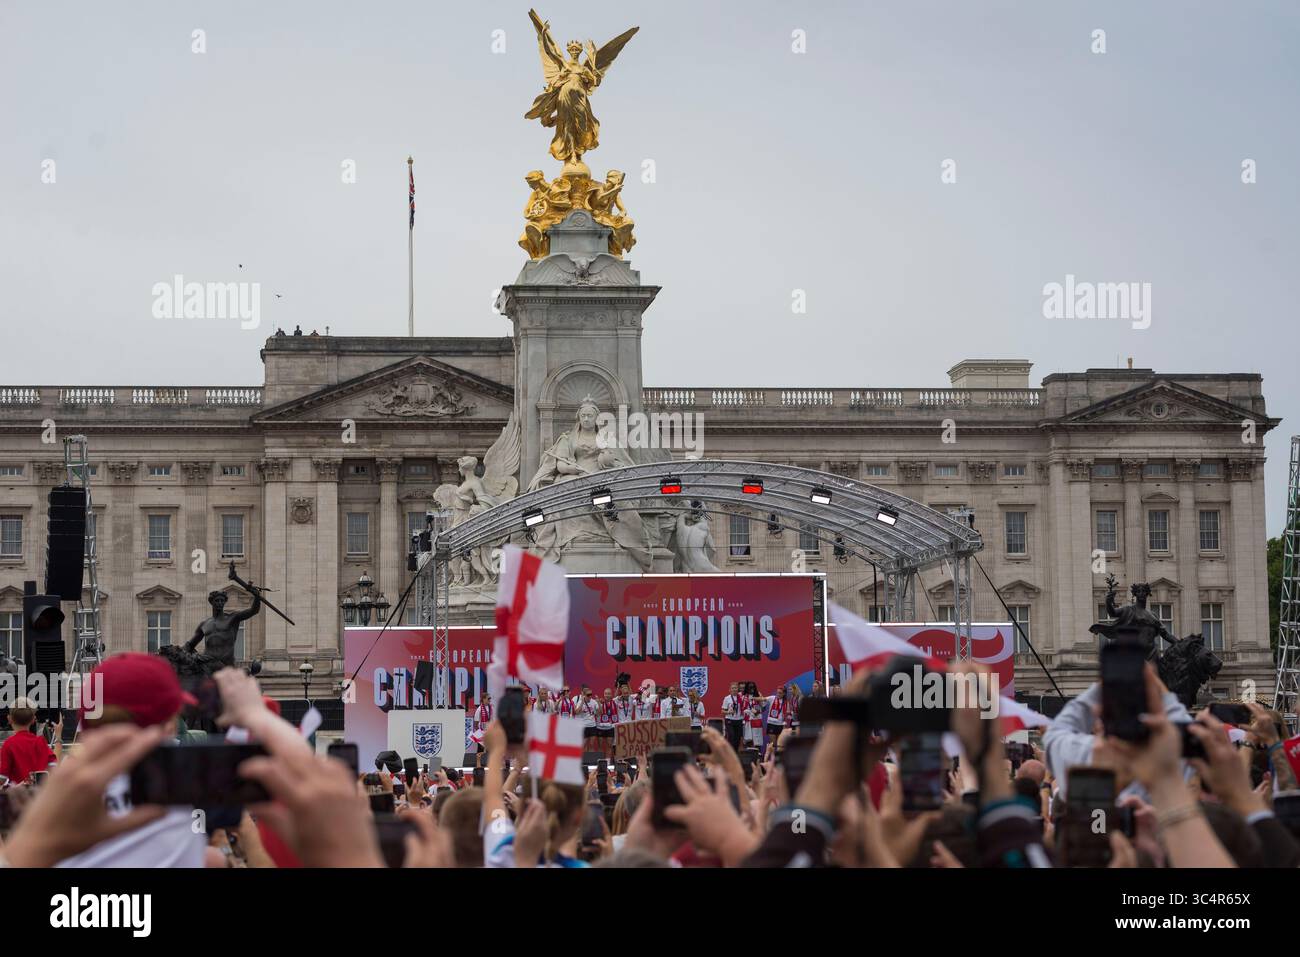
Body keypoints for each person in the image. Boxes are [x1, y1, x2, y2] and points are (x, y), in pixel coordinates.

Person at [0, 697, 60, 785]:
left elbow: (2, 778)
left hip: (18, 795)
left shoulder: (8, 744)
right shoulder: (40, 741)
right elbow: (53, 766)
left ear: (9, 719)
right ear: (33, 720)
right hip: (38, 794)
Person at [721, 682, 743, 750]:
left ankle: (735, 753)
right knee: (731, 736)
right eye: (732, 688)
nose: (734, 689)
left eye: (735, 688)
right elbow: (722, 711)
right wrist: (728, 712)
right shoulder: (727, 698)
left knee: (738, 738)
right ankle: (729, 752)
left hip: (739, 720)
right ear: (730, 690)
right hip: (730, 719)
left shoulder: (741, 697)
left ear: (738, 689)